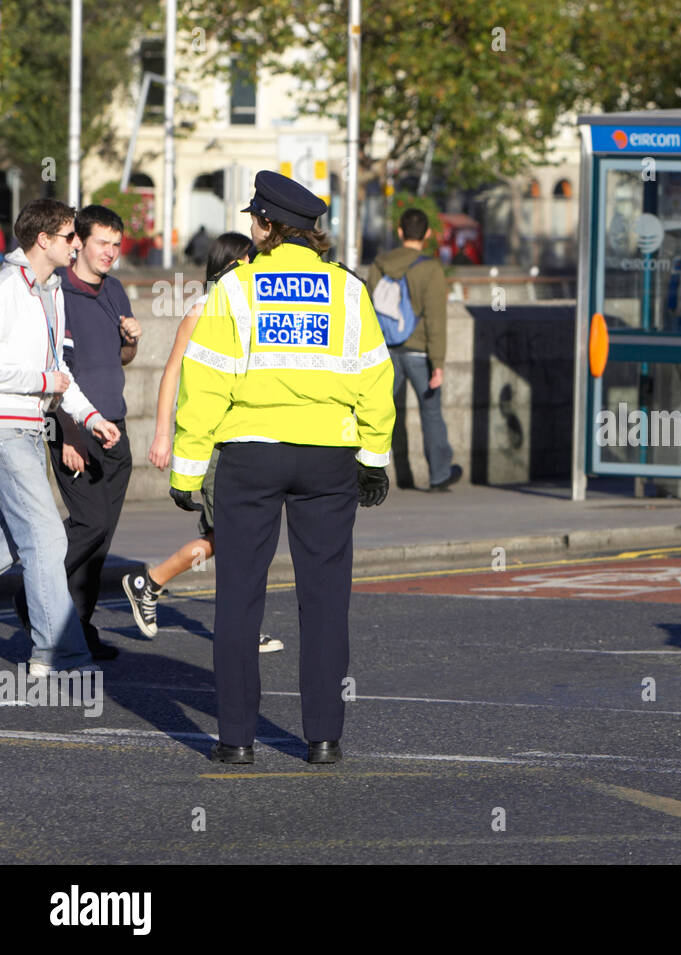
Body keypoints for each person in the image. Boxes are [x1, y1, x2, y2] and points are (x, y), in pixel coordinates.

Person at [170, 171, 395, 764]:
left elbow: (205, 386)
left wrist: (187, 472)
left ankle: (237, 739)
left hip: (252, 455)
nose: (249, 226)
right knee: (325, 598)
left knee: (239, 596)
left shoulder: (235, 290)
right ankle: (323, 738)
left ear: (268, 226)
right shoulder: (348, 291)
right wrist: (373, 459)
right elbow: (376, 381)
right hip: (329, 457)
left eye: (253, 219)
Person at [123, 232, 283, 654]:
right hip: (215, 446)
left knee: (231, 536)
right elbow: (171, 373)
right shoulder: (202, 312)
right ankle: (233, 626)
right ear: (233, 265)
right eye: (251, 261)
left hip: (244, 442)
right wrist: (162, 435)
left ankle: (150, 581)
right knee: (234, 537)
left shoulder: (248, 310)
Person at [14, 205, 141, 661]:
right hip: (74, 428)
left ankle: (77, 623)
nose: (111, 252)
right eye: (101, 243)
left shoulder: (115, 292)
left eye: (116, 244)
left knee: (103, 536)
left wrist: (131, 340)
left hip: (113, 425)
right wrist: (67, 432)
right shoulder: (56, 292)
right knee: (88, 524)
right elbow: (56, 369)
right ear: (79, 243)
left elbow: (120, 359)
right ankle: (37, 597)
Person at [366, 208, 460, 491]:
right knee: (431, 413)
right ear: (428, 234)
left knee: (379, 414)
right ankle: (439, 476)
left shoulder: (380, 264)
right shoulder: (430, 268)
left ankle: (370, 474)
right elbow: (435, 318)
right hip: (420, 352)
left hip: (386, 351)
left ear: (399, 231)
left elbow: (371, 309)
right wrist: (438, 363)